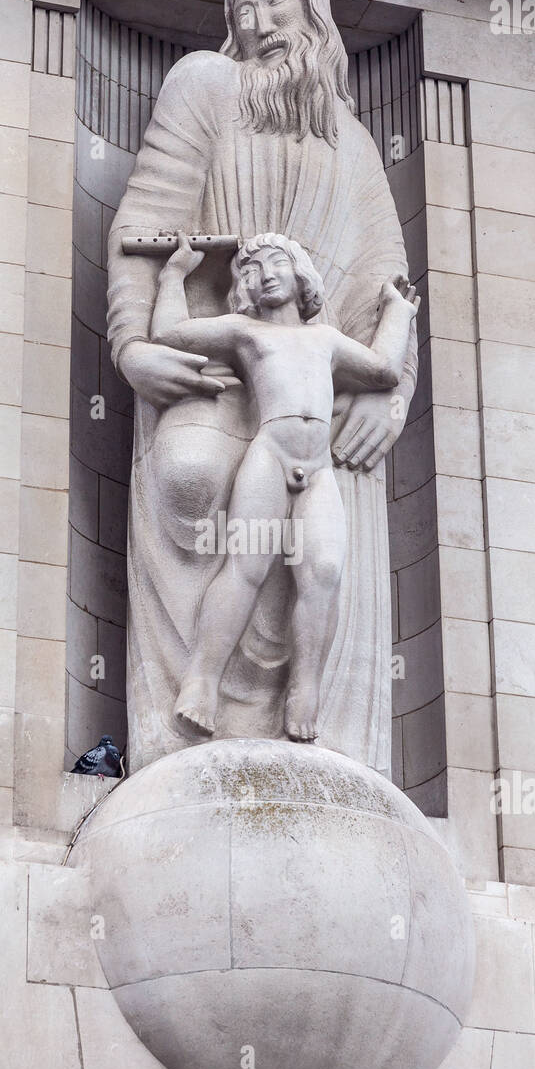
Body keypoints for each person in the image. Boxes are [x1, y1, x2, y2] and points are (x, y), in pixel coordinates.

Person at [107, 0, 420, 774]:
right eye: (242, 10)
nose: (257, 23)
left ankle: (310, 722)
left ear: (313, 11)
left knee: (321, 557)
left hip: (319, 400)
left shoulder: (355, 142)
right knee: (197, 481)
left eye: (275, 2)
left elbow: (391, 293)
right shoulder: (204, 85)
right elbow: (146, 226)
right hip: (217, 366)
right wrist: (132, 347)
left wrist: (389, 400)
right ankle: (190, 715)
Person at [150, 231, 419, 741]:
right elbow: (168, 333)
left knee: (324, 569)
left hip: (317, 467)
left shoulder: (326, 340)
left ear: (301, 274)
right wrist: (174, 274)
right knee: (246, 567)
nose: (266, 274)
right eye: (251, 269)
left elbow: (384, 370)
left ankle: (306, 689)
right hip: (271, 455)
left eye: (278, 262)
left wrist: (397, 312)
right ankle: (202, 681)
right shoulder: (246, 332)